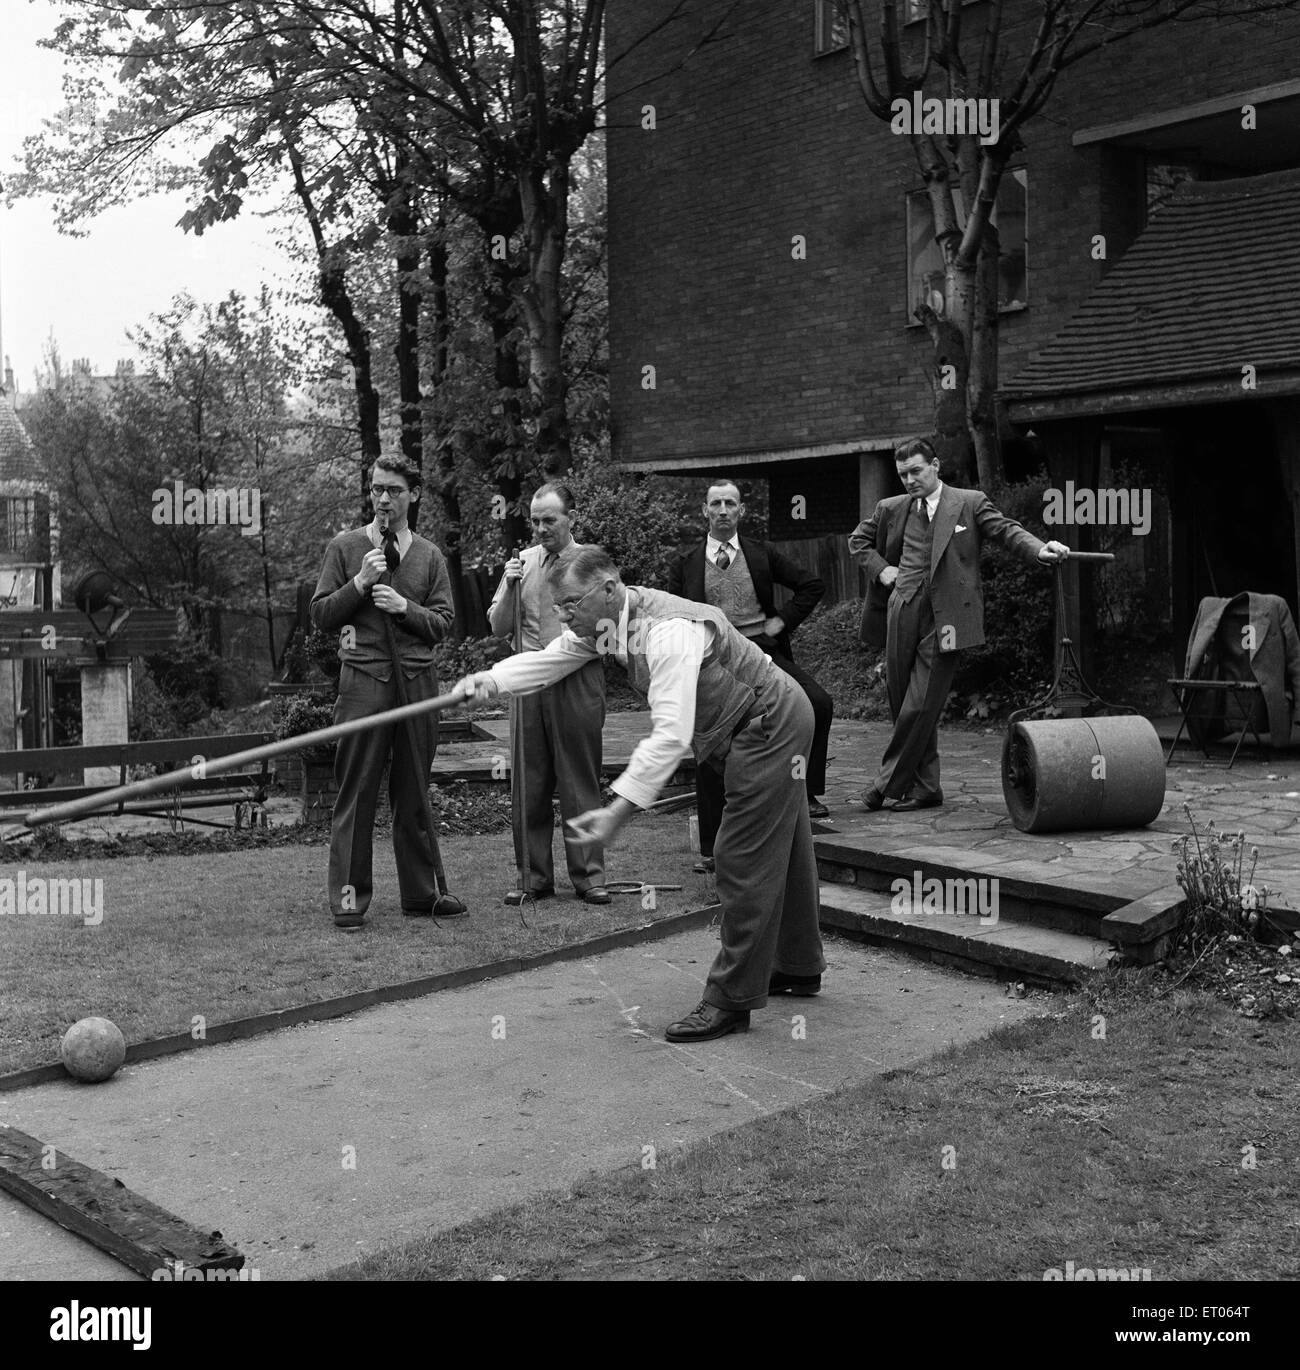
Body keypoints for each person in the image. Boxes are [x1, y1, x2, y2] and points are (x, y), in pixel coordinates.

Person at [453, 547, 825, 1043]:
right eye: (558, 606)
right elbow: (551, 660)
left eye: (570, 604)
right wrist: (489, 680)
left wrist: (617, 811)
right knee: (786, 846)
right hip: (753, 723)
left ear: (609, 589)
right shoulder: (607, 623)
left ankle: (731, 999)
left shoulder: (668, 632)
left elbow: (670, 735)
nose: (564, 616)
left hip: (770, 723)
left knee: (740, 857)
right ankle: (799, 966)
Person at [848, 437, 1070, 811]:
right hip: (901, 607)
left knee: (921, 702)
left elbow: (1007, 530)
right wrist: (881, 569)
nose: (909, 480)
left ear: (935, 466)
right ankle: (926, 788)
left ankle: (884, 784)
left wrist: (1039, 548)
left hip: (947, 616)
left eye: (916, 471)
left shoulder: (968, 502)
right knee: (903, 701)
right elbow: (858, 541)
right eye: (903, 474)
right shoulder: (891, 508)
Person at [310, 454, 455, 929]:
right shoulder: (345, 547)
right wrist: (360, 583)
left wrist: (403, 607)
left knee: (413, 793)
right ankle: (349, 900)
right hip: (363, 685)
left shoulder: (430, 556)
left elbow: (443, 624)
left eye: (394, 490)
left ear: (414, 494)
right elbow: (321, 615)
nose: (384, 499)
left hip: (417, 686)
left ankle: (421, 894)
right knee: (357, 793)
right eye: (376, 489)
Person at [669, 480, 835, 875]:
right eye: (716, 503)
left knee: (817, 703)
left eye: (730, 503)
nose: (723, 510)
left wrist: (782, 622)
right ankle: (712, 847)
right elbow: (672, 614)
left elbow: (811, 585)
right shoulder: (685, 564)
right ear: (705, 511)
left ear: (741, 510)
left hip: (763, 651)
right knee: (711, 738)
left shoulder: (761, 554)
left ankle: (806, 791)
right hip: (714, 659)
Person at [487, 483, 610, 906]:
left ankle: (589, 877)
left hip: (576, 680)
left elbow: (608, 628)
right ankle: (533, 878)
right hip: (528, 682)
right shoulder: (520, 563)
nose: (541, 528)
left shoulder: (592, 563)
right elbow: (498, 627)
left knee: (579, 780)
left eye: (549, 520)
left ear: (570, 518)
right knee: (528, 782)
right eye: (535, 521)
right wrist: (510, 586)